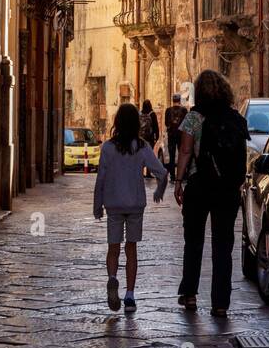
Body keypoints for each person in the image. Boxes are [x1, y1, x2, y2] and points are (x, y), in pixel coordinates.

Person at [175, 70, 250, 318]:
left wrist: (178, 181)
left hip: (199, 186)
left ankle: (190, 295)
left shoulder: (193, 119)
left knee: (194, 242)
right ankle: (220, 303)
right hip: (227, 189)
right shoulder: (235, 118)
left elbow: (185, 151)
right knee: (223, 246)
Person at [93, 102, 168, 314]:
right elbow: (162, 172)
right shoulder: (142, 147)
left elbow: (101, 178)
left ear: (117, 123)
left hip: (114, 204)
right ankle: (130, 296)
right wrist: (159, 191)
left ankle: (112, 278)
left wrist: (97, 205)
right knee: (131, 249)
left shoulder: (107, 148)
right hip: (135, 204)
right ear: (136, 123)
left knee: (113, 248)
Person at [164, 93, 185, 183]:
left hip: (171, 135)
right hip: (181, 135)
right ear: (179, 100)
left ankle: (172, 176)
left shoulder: (168, 110)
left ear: (173, 100)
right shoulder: (184, 110)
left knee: (172, 156)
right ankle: (182, 176)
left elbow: (165, 123)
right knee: (182, 155)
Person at [139, 99, 160, 177]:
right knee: (149, 155)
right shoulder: (152, 114)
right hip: (149, 138)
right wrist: (156, 137)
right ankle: (148, 173)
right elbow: (156, 126)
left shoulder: (140, 113)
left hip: (141, 138)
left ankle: (140, 172)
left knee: (141, 155)